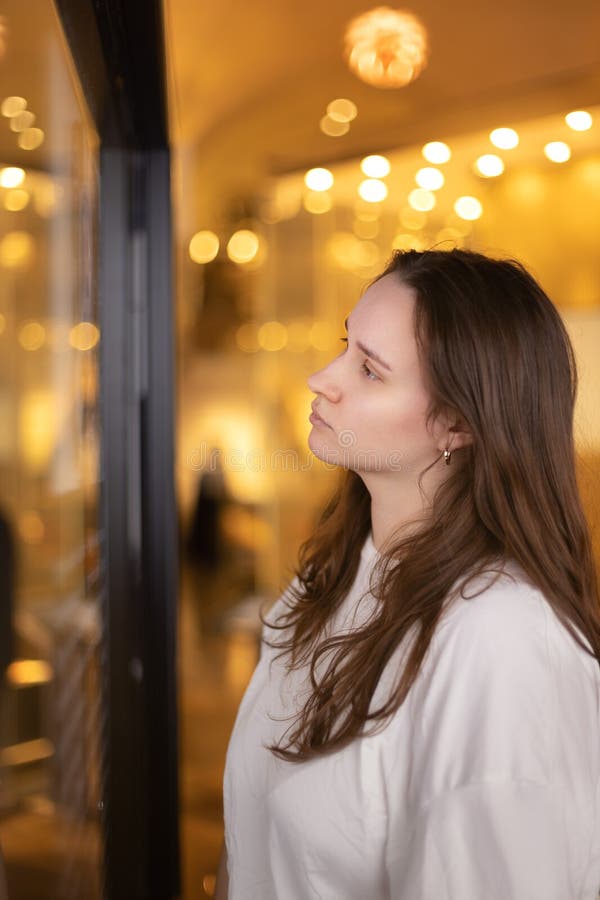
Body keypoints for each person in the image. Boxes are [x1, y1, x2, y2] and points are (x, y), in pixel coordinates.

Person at [215, 248, 600, 899]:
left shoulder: (500, 640)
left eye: (369, 369)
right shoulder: (329, 579)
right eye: (345, 346)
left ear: (457, 423)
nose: (321, 378)